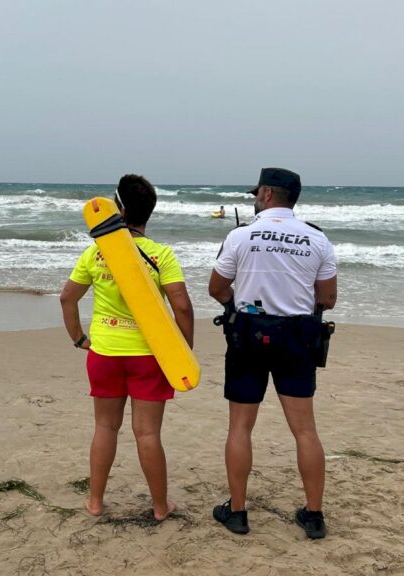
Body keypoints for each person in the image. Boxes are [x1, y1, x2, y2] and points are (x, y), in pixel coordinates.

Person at [208, 167, 337, 539]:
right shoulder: (317, 239)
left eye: (255, 194)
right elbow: (327, 298)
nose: (253, 199)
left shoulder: (240, 235)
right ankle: (313, 515)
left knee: (240, 426)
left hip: (248, 336)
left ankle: (237, 512)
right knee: (305, 430)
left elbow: (217, 288)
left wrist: (241, 306)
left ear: (266, 193)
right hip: (297, 339)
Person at [60, 174, 194, 521]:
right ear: (150, 212)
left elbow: (67, 298)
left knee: (105, 428)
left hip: (104, 353)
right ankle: (161, 507)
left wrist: (79, 338)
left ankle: (94, 502)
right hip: (149, 356)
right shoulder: (160, 255)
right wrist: (182, 351)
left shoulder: (95, 253)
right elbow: (181, 305)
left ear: (117, 209)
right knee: (147, 433)